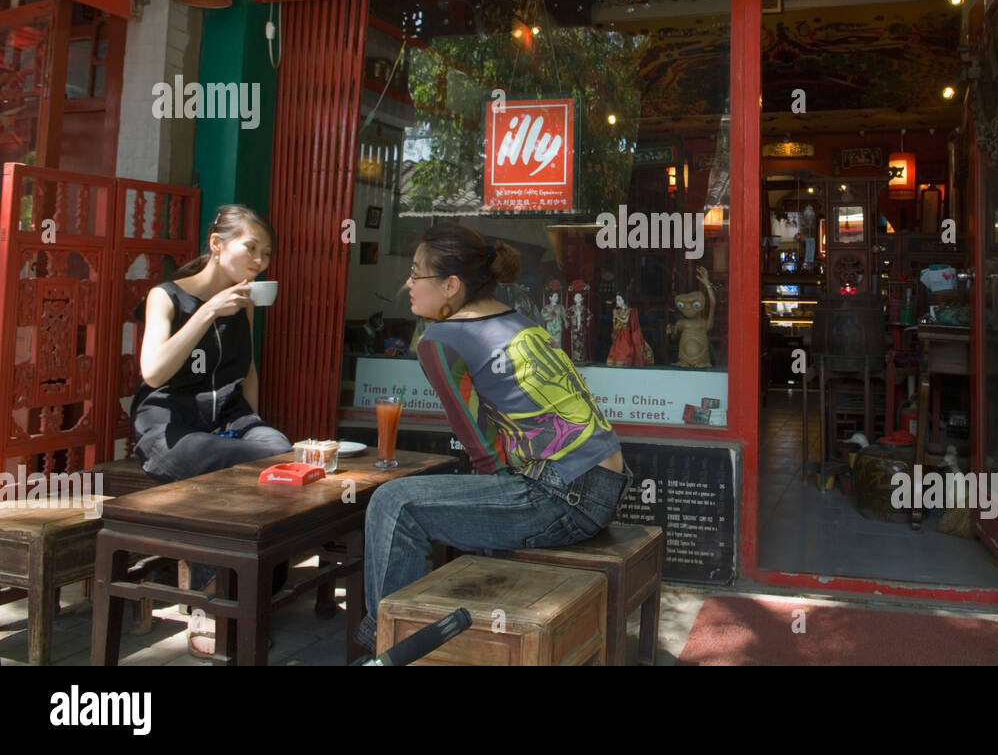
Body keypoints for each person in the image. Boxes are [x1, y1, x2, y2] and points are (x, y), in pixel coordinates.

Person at [356, 224, 632, 654]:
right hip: (605, 484)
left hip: (561, 495)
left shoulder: (441, 339)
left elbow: (481, 448)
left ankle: (389, 642)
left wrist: (490, 513)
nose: (407, 284)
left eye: (415, 273)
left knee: (394, 502)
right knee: (422, 501)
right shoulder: (516, 318)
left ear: (450, 285)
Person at [131, 204, 290, 480]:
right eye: (250, 248)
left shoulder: (244, 304)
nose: (259, 262)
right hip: (171, 426)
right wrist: (209, 310)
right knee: (248, 458)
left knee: (279, 450)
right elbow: (154, 374)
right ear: (217, 244)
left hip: (228, 421)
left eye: (265, 254)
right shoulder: (166, 297)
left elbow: (248, 371)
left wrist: (254, 424)